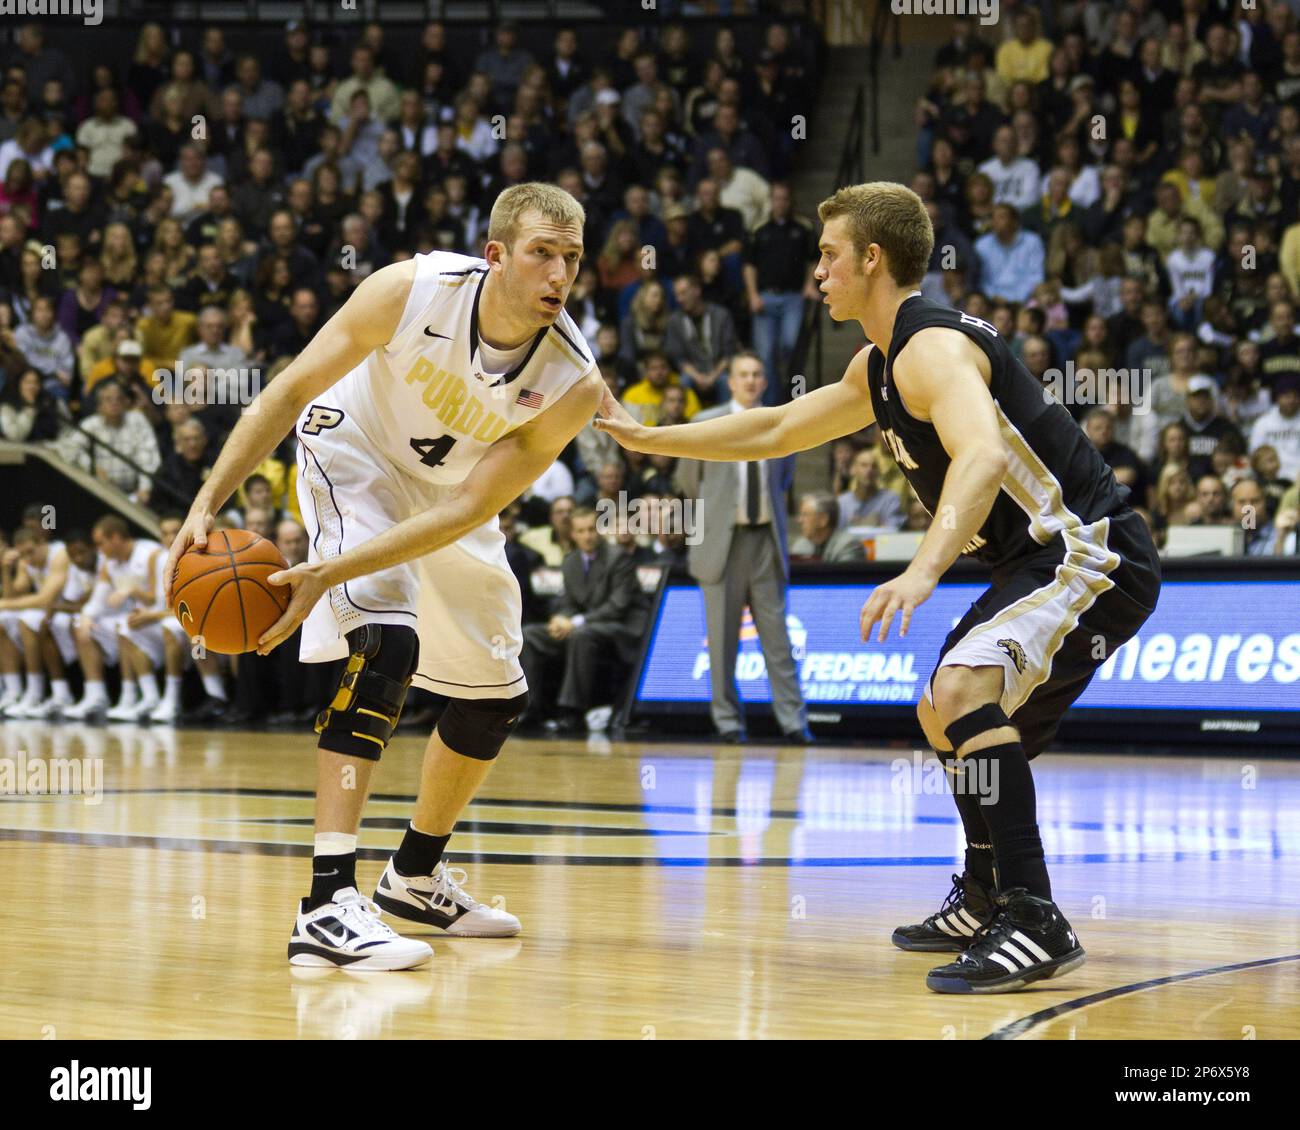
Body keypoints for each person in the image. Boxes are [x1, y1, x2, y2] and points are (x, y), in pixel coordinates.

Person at [595, 181, 1162, 995]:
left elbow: (983, 456)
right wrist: (652, 436)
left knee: (962, 689)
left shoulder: (932, 348)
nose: (816, 272)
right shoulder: (880, 363)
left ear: (872, 258)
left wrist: (924, 568)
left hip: (1086, 549)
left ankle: (1033, 915)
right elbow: (776, 428)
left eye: (828, 255)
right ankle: (985, 891)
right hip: (1033, 560)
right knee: (942, 709)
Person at [165, 183, 603, 971]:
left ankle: (412, 877)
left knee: (496, 696)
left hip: (445, 500)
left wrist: (331, 569)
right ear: (497, 254)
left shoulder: (573, 382)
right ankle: (327, 905)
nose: (560, 273)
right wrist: (208, 499)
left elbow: (471, 506)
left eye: (572, 258)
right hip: (352, 448)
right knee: (386, 644)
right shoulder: (411, 289)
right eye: (543, 252)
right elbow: (292, 387)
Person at [674, 352, 808, 744]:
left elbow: (782, 481)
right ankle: (728, 722)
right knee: (721, 641)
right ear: (730, 382)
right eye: (743, 375)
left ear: (764, 382)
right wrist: (716, 512)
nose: (750, 381)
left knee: (778, 640)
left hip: (765, 538)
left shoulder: (781, 423)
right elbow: (688, 482)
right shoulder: (704, 423)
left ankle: (793, 722)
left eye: (756, 374)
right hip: (720, 540)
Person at [517, 506, 647, 733]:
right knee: (530, 635)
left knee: (580, 634)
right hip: (586, 624)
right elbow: (568, 602)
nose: (587, 536)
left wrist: (575, 622)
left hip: (622, 628)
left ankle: (571, 711)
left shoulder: (619, 559)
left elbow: (617, 606)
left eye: (591, 529)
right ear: (573, 534)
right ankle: (530, 708)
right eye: (581, 531)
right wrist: (560, 618)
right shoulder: (571, 561)